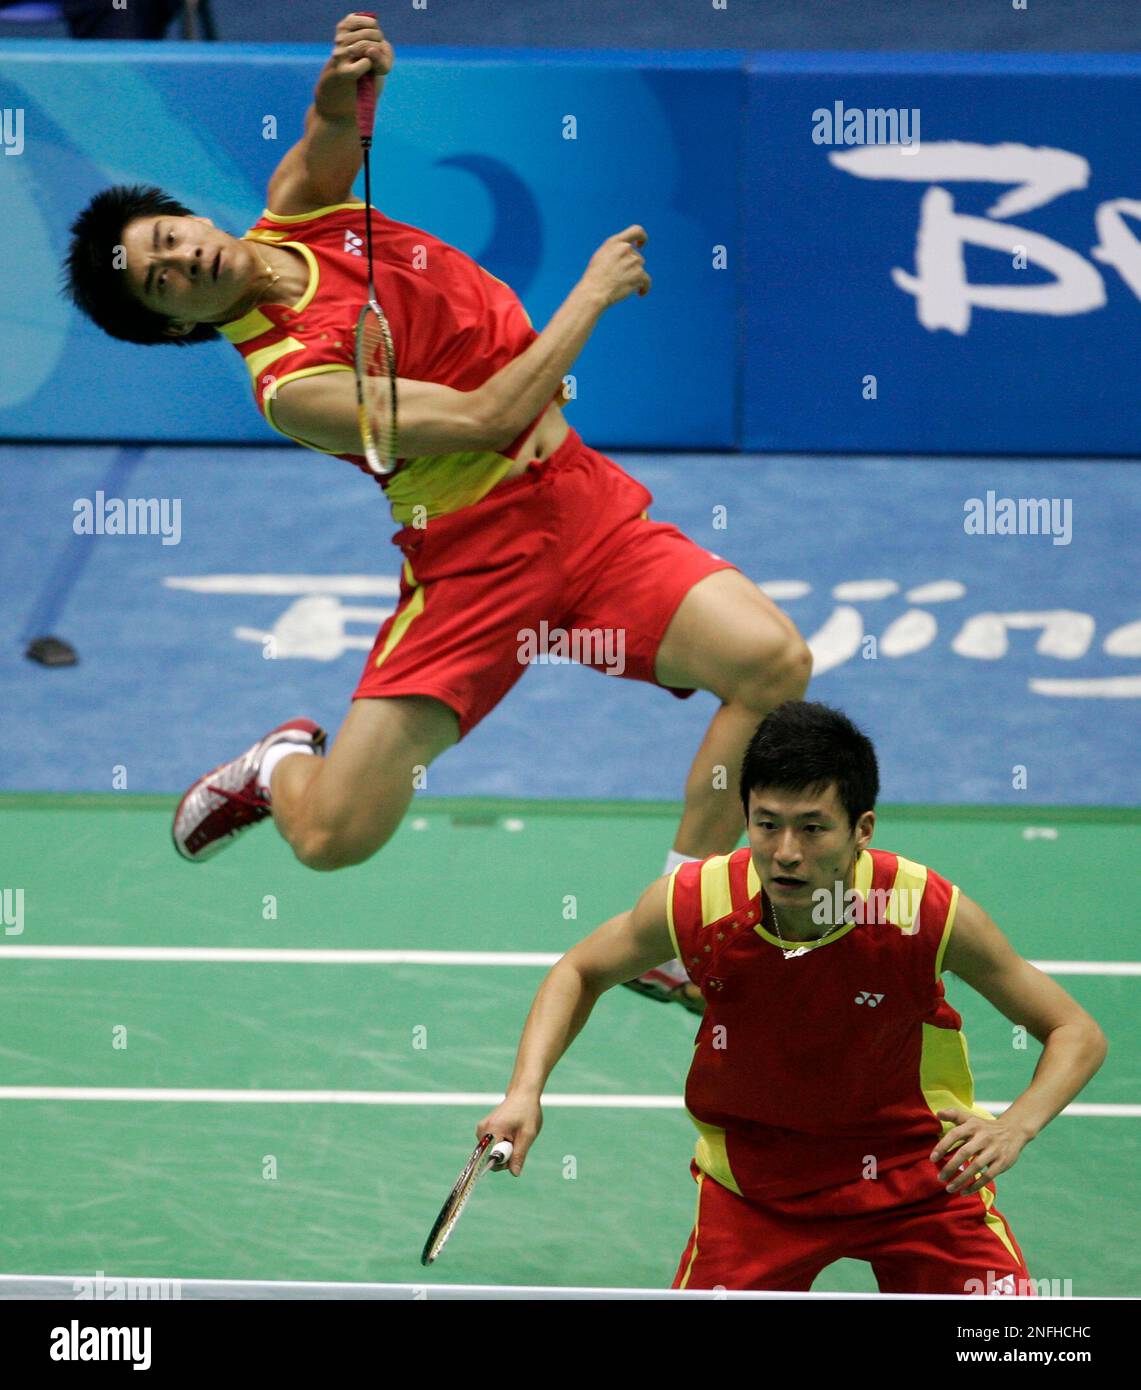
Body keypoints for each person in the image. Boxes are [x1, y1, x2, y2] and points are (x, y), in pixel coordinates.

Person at [60, 11, 811, 1010]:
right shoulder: (290, 386)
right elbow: (488, 414)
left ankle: (676, 919)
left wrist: (354, 69)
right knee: (334, 839)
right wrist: (588, 297)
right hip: (474, 564)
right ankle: (282, 762)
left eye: (168, 238)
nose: (182, 260)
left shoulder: (297, 211)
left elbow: (335, 121)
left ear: (189, 216)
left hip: (580, 509)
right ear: (173, 325)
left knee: (770, 663)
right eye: (162, 282)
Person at [477, 701, 1108, 1293]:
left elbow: (1074, 1030)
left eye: (813, 829)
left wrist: (1016, 1127)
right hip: (757, 1192)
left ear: (862, 828)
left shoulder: (919, 909)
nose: (786, 854)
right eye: (767, 825)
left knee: (1029, 1355)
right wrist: (524, 1091)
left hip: (921, 1179)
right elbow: (579, 971)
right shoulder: (697, 901)